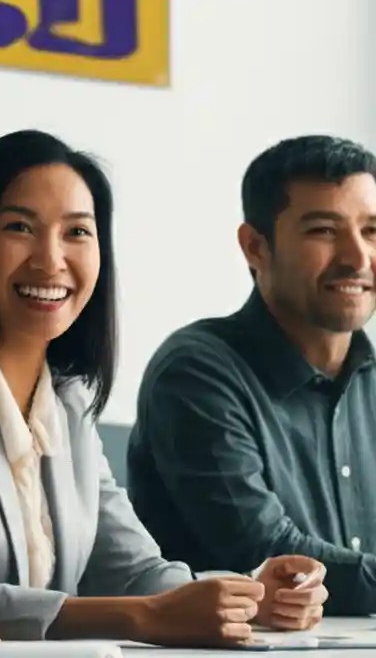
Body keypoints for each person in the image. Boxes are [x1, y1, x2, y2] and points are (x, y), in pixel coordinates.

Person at [0, 130, 330, 647]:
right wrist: (142, 618)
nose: (50, 259)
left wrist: (251, 597)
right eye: (20, 227)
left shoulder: (69, 397)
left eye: (77, 232)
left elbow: (134, 570)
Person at [130, 135, 376, 617]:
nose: (357, 257)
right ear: (255, 247)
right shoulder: (196, 372)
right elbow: (266, 551)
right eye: (324, 230)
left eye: (372, 231)